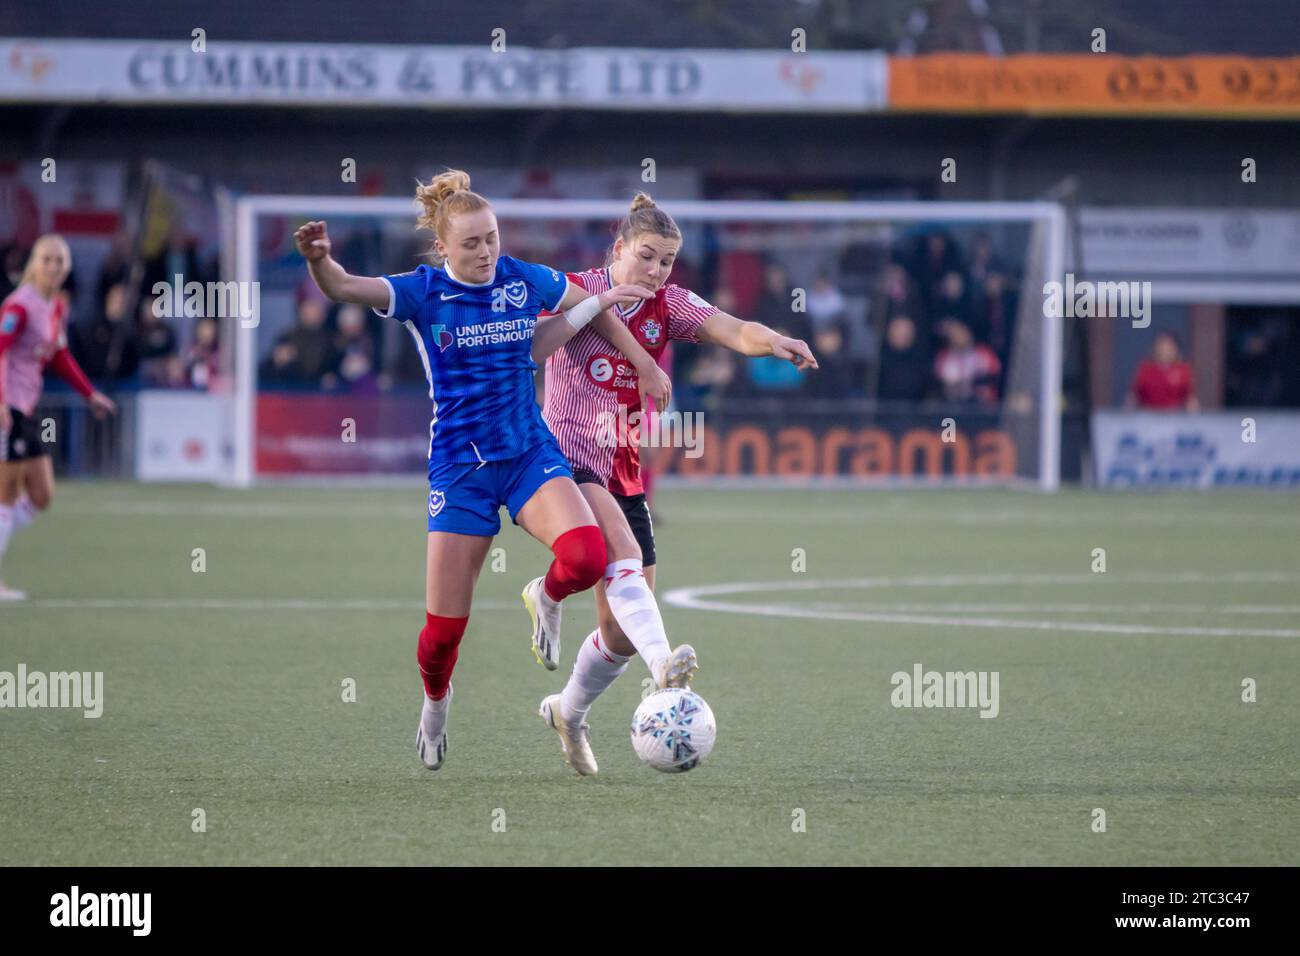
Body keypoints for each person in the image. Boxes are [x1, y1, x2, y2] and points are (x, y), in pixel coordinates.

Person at [294, 169, 666, 772]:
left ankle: (544, 595)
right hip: (461, 473)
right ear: (444, 248)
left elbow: (577, 316)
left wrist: (623, 334)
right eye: (471, 243)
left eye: (492, 237)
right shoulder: (420, 292)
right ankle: (435, 704)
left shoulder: (524, 278)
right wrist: (319, 261)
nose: (487, 251)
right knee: (442, 636)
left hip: (527, 455)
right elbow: (341, 288)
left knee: (586, 559)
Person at [527, 192, 818, 775]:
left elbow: (735, 330)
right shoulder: (573, 287)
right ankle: (664, 668)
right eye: (646, 256)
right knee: (626, 557)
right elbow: (536, 348)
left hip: (624, 469)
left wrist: (775, 341)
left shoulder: (670, 304)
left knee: (619, 634)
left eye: (665, 261)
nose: (656, 270)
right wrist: (605, 318)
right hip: (565, 458)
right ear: (618, 250)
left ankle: (569, 712)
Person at [0, 235, 118, 600]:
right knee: (6, 493)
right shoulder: (19, 306)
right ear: (34, 263)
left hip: (26, 408)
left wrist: (89, 394)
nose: (53, 266)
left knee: (42, 495)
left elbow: (59, 355)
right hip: (9, 408)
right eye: (47, 259)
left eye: (59, 261)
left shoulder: (54, 307)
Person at [1127, 332, 1198, 412]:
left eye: (1168, 347)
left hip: (1174, 417)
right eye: (1161, 347)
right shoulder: (1146, 369)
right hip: (1148, 415)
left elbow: (1190, 398)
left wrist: (1194, 420)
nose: (1164, 351)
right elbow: (1134, 396)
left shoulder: (1183, 370)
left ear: (1175, 349)